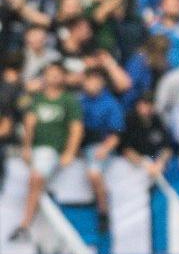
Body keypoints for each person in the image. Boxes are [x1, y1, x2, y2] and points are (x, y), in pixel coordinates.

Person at [9, 63, 84, 242]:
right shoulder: (37, 99)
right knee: (32, 182)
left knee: (35, 178)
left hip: (51, 149)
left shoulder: (68, 100)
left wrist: (70, 152)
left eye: (57, 74)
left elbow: (76, 128)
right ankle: (25, 224)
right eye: (49, 74)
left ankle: (25, 224)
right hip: (35, 148)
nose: (53, 78)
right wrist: (26, 147)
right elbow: (29, 124)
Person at [78, 68, 125, 233]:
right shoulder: (79, 100)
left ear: (102, 82)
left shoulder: (110, 103)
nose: (91, 84)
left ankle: (103, 212)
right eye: (88, 80)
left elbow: (116, 134)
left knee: (94, 173)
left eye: (95, 80)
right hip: (81, 147)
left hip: (100, 145)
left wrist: (105, 149)